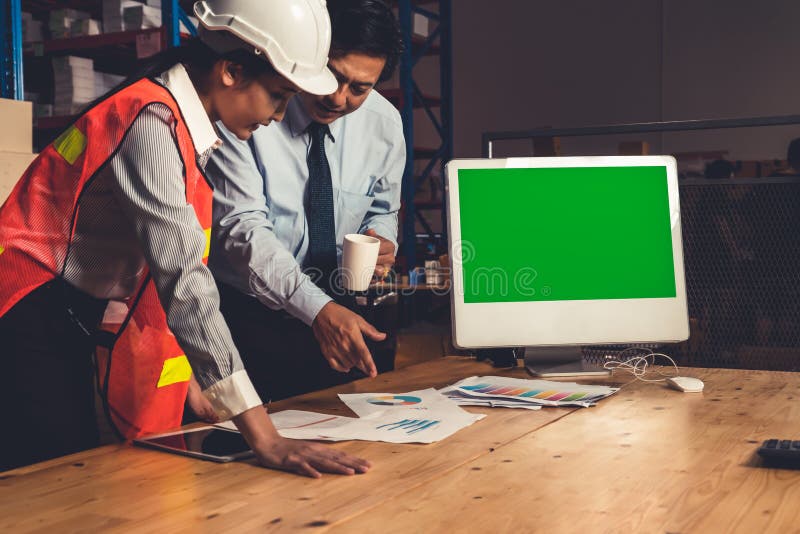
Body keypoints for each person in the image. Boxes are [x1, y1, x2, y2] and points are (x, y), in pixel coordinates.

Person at [0, 0, 370, 478]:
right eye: (278, 95)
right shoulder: (150, 122)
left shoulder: (179, 125)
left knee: (70, 464)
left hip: (67, 313)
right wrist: (266, 438)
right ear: (232, 71)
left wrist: (202, 380)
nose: (280, 116)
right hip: (24, 307)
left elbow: (154, 267)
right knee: (45, 475)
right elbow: (185, 282)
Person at [206, 0, 405, 403]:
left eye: (360, 88)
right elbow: (244, 230)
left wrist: (380, 238)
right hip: (251, 317)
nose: (338, 98)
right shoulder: (247, 107)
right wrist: (316, 310)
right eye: (332, 76)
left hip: (341, 312)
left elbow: (384, 208)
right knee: (239, 453)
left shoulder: (384, 124)